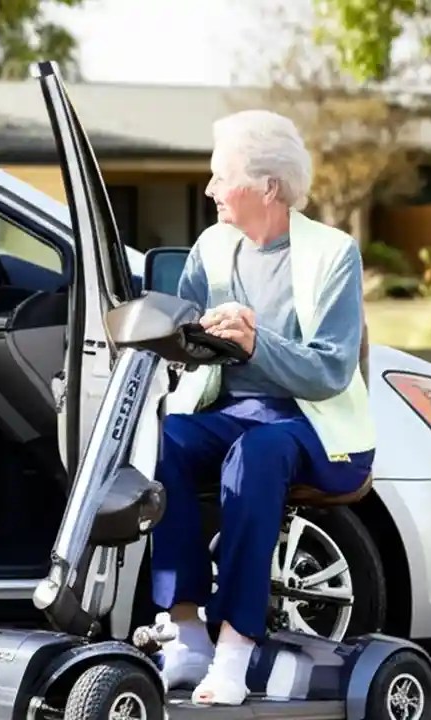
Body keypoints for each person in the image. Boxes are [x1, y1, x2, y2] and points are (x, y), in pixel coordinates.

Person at [150, 109, 376, 706]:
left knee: (257, 452)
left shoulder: (334, 254)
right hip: (233, 416)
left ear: (268, 187)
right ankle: (188, 630)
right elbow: (186, 343)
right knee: (163, 441)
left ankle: (236, 645)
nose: (209, 190)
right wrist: (194, 332)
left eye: (222, 177)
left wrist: (256, 340)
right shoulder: (212, 246)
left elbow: (331, 368)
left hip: (317, 429)